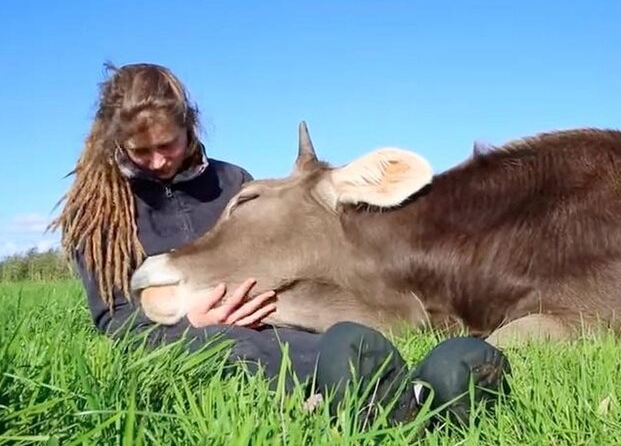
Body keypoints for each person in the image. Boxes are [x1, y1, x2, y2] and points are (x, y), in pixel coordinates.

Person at [51, 62, 511, 426]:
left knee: (335, 340)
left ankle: (421, 389)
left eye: (167, 145)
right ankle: (373, 402)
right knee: (232, 351)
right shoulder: (99, 208)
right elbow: (114, 319)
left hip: (273, 323)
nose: (157, 161)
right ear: (116, 143)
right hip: (182, 336)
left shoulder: (231, 181)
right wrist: (196, 321)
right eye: (140, 152)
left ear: (191, 128)